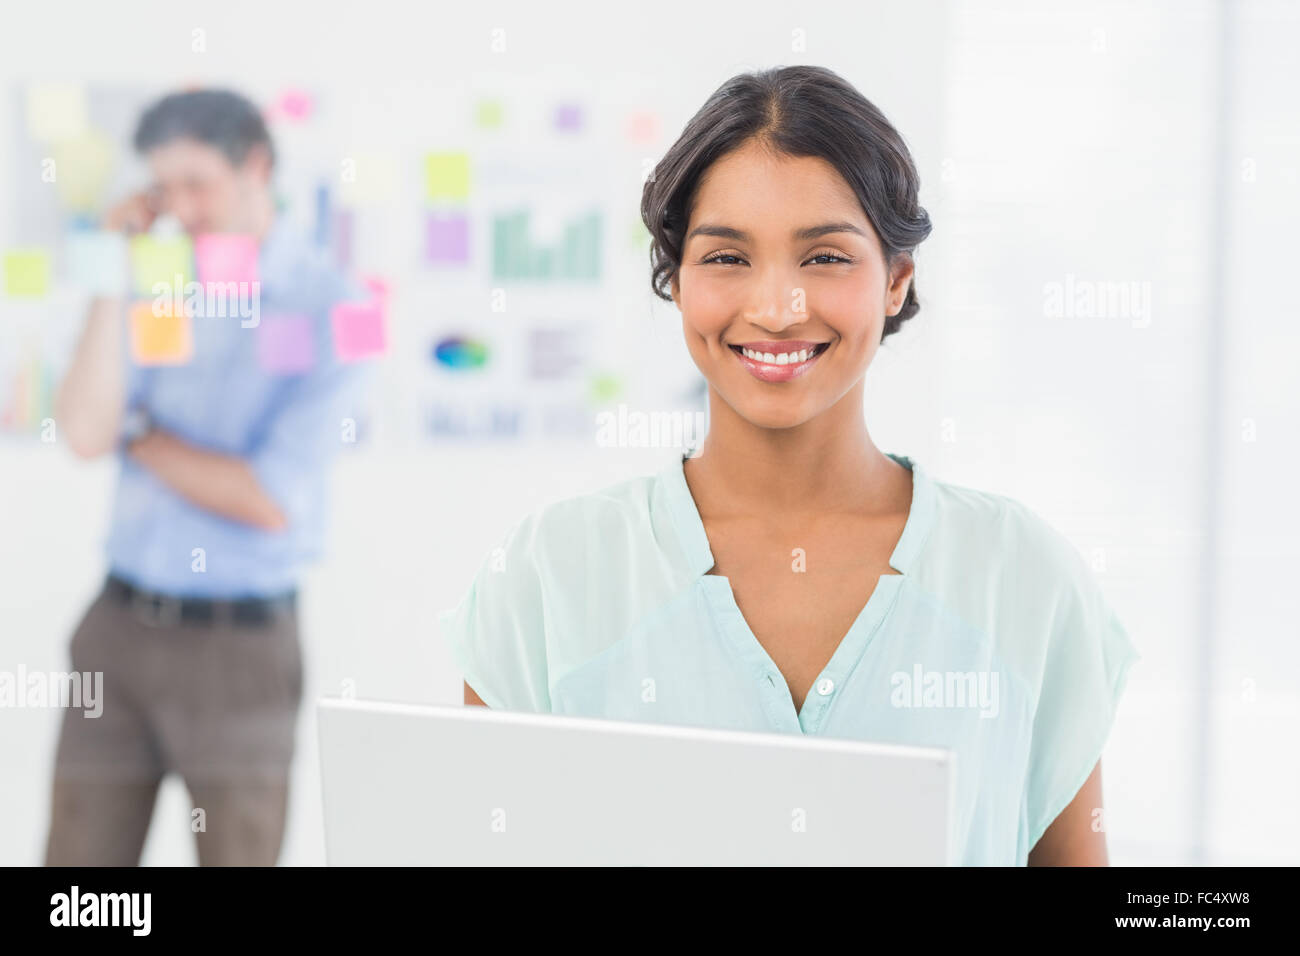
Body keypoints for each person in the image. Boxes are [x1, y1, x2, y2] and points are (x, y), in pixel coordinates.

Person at [440, 65, 1140, 866]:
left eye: (826, 258)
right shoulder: (546, 577)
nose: (776, 308)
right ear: (676, 280)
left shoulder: (1021, 577)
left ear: (896, 279)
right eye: (727, 257)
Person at [45, 88, 373, 866]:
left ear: (255, 165)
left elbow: (267, 498)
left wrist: (144, 438)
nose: (182, 209)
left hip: (242, 652)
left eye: (198, 185)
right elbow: (87, 432)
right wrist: (110, 275)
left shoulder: (337, 307)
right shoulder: (157, 285)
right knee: (75, 891)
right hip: (117, 633)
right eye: (165, 190)